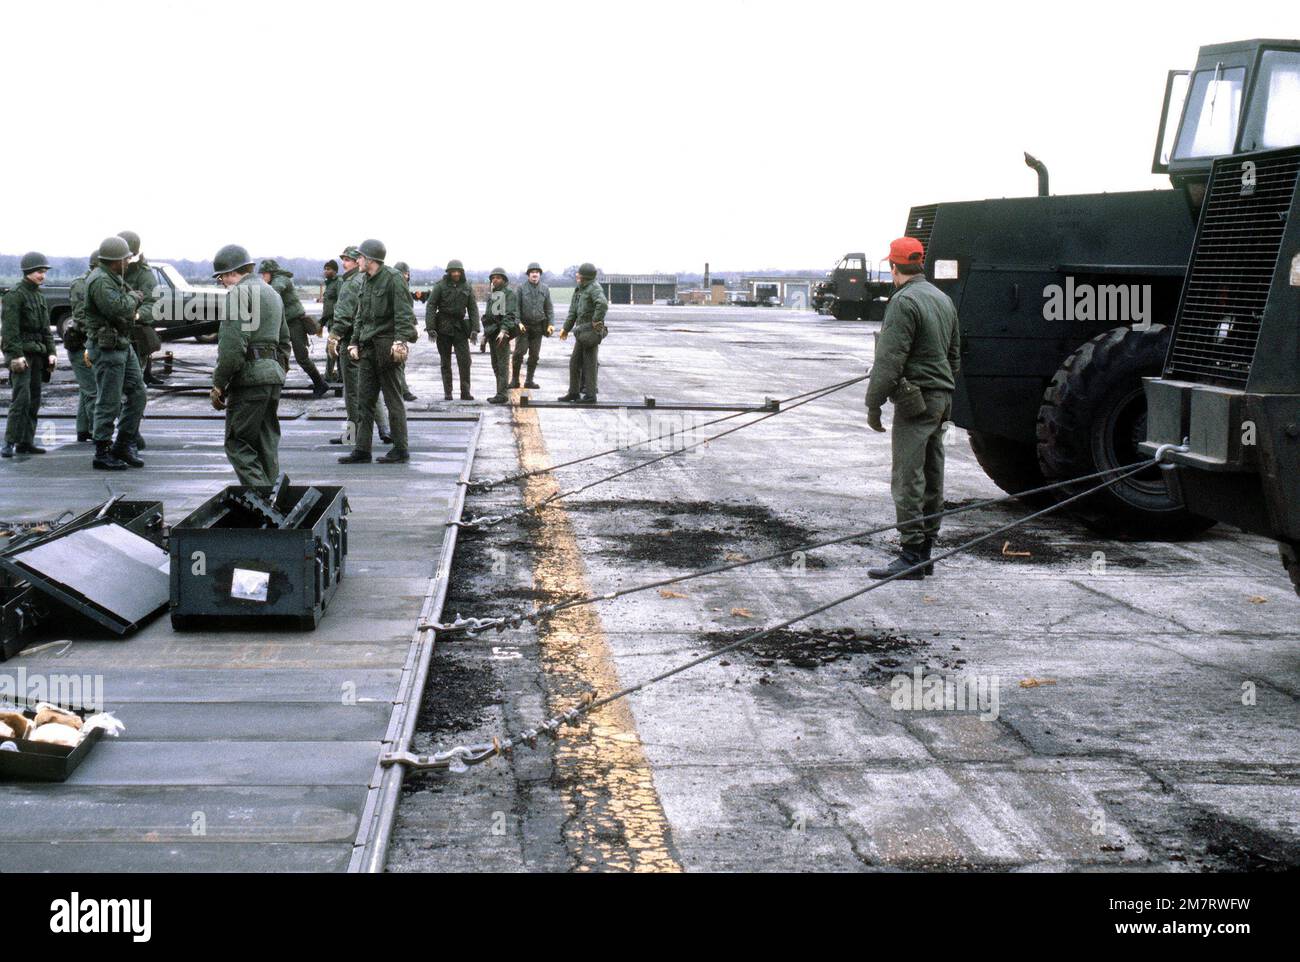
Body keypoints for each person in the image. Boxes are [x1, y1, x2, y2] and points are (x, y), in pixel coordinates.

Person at [865, 237, 961, 580]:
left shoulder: (904, 301)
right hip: (941, 398)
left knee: (908, 476)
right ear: (919, 264)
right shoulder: (942, 298)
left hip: (916, 401)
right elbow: (954, 356)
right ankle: (925, 552)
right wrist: (943, 388)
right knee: (933, 472)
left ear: (894, 267)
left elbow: (889, 360)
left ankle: (910, 555)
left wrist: (873, 403)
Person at [210, 244, 290, 486]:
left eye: (221, 277)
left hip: (249, 380)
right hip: (272, 377)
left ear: (231, 273)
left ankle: (265, 501)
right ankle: (276, 501)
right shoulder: (271, 293)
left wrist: (218, 384)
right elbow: (284, 341)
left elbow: (232, 348)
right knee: (265, 443)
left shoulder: (238, 295)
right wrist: (276, 370)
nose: (222, 282)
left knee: (237, 443)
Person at [339, 239, 416, 464]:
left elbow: (403, 313)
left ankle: (401, 448)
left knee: (393, 400)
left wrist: (400, 341)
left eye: (360, 257)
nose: (358, 261)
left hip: (387, 348)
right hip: (368, 349)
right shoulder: (365, 281)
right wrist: (354, 341)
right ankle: (362, 449)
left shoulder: (393, 279)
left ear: (371, 259)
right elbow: (360, 316)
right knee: (365, 400)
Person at [83, 235, 148, 470]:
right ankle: (102, 450)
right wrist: (134, 297)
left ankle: (123, 443)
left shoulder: (112, 277)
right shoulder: (101, 281)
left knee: (138, 393)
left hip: (121, 344)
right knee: (108, 401)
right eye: (125, 258)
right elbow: (118, 308)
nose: (129, 261)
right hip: (107, 348)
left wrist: (130, 300)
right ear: (115, 260)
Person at [328, 246, 391, 446]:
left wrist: (334, 336)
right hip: (368, 340)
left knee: (352, 392)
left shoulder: (350, 283)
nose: (344, 263)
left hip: (350, 342)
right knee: (373, 389)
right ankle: (385, 429)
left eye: (348, 259)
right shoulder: (367, 279)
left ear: (357, 261)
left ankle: (352, 435)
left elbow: (344, 314)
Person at [1, 252, 57, 458]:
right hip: (22, 355)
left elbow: (45, 330)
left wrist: (51, 352)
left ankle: (26, 441)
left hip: (38, 354)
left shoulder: (39, 296)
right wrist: (15, 355)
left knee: (34, 398)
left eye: (43, 271)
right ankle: (9, 442)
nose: (42, 275)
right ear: (28, 272)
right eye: (38, 271)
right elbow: (9, 331)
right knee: (21, 399)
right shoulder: (15, 295)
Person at [259, 258, 329, 398]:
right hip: (285, 323)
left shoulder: (281, 279)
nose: (262, 277)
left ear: (271, 272)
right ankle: (276, 383)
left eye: (264, 273)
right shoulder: (275, 280)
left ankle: (320, 383)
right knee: (279, 354)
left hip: (295, 323)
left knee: (301, 357)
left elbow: (274, 290)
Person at [425, 259, 480, 401]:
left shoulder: (467, 287)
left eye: (458, 271)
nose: (455, 274)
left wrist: (475, 329)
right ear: (448, 273)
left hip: (460, 328)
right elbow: (431, 306)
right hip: (443, 327)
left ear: (462, 272)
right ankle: (448, 392)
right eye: (453, 271)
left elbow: (473, 309)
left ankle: (465, 392)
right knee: (445, 361)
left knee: (465, 361)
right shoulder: (440, 286)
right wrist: (431, 327)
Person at [118, 230, 163, 388]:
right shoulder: (109, 271)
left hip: (133, 334)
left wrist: (136, 315)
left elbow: (153, 304)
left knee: (132, 385)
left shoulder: (144, 274)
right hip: (111, 336)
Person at [558, 262, 608, 404]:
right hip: (581, 332)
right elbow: (573, 311)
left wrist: (596, 321)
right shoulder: (580, 290)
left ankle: (590, 395)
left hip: (590, 332)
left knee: (590, 364)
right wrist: (566, 328)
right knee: (574, 363)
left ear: (584, 276)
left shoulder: (594, 288)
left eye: (579, 274)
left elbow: (603, 304)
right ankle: (574, 392)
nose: (577, 276)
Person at [65, 252, 100, 443]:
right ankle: (98, 434)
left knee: (87, 389)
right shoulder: (82, 284)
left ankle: (83, 429)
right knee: (93, 390)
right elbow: (81, 317)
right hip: (81, 343)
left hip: (86, 342)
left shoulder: (93, 282)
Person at [512, 261, 553, 389]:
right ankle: (515, 380)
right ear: (528, 275)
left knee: (534, 355)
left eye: (537, 272)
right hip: (524, 327)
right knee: (519, 352)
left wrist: (551, 323)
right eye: (532, 272)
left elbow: (549, 308)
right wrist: (518, 322)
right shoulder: (521, 288)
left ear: (540, 274)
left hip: (538, 327)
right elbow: (516, 307)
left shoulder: (545, 289)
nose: (534, 274)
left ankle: (529, 380)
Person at [481, 268, 519, 404]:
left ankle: (502, 394)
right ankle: (500, 392)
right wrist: (485, 335)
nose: (495, 280)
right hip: (492, 333)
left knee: (502, 365)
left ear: (504, 280)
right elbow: (488, 317)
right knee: (495, 365)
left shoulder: (509, 294)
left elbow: (510, 315)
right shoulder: (493, 295)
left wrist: (503, 331)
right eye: (493, 278)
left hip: (502, 335)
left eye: (498, 277)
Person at [391, 262, 418, 402]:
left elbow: (407, 310)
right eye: (402, 274)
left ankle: (402, 389)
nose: (404, 277)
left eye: (406, 274)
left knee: (400, 361)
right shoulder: (395, 288)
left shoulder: (404, 288)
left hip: (401, 329)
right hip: (395, 330)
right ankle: (403, 390)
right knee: (398, 362)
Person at [321, 259, 341, 383]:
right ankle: (337, 375)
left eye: (328, 269)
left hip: (336, 321)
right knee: (334, 349)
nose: (325, 271)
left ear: (335, 271)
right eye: (325, 269)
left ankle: (330, 375)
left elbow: (340, 302)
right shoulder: (329, 284)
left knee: (332, 348)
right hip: (330, 321)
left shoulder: (338, 283)